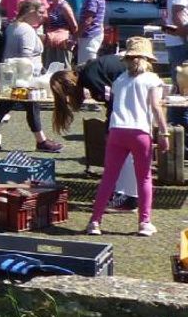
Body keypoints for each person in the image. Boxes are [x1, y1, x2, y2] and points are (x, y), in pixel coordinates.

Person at [86, 37, 169, 237]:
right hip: (140, 132)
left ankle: (94, 222)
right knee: (144, 178)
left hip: (117, 131)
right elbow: (156, 107)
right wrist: (164, 132)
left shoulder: (119, 80)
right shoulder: (152, 80)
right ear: (148, 59)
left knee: (108, 178)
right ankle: (144, 222)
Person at [49, 54, 139, 212]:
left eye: (67, 94)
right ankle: (124, 195)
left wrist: (110, 128)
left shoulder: (90, 76)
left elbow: (114, 100)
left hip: (130, 108)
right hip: (133, 103)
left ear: (69, 84)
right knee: (124, 156)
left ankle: (128, 199)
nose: (70, 97)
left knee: (123, 155)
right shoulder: (89, 71)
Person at [0, 0, 62, 153]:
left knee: (5, 107)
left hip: (12, 77)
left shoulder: (12, 26)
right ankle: (41, 141)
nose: (43, 16)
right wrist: (33, 77)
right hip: (24, 78)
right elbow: (25, 57)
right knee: (28, 106)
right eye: (40, 12)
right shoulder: (26, 30)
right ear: (31, 11)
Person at [162, 0, 188, 134]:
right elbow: (178, 14)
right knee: (181, 89)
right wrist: (185, 37)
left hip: (180, 41)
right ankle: (178, 132)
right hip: (181, 44)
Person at [41, 0, 78, 69]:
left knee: (63, 67)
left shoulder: (64, 6)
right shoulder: (50, 5)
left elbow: (74, 26)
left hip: (62, 42)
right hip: (50, 41)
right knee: (49, 67)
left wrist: (73, 40)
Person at [76, 0, 107, 65]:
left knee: (84, 65)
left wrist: (76, 35)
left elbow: (88, 20)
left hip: (90, 35)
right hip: (94, 34)